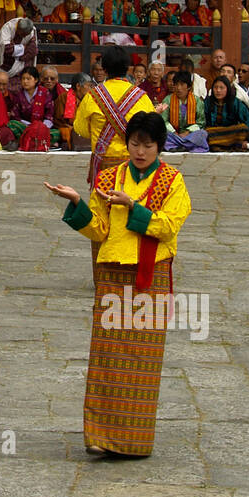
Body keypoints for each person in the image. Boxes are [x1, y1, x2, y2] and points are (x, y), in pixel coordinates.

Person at [46, 110, 191, 457]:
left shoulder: (172, 181)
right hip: (111, 270)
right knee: (107, 357)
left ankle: (133, 440)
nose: (140, 151)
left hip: (149, 273)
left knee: (142, 358)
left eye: (148, 145)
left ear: (160, 147)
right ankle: (100, 435)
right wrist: (78, 203)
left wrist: (133, 207)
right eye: (134, 143)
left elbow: (169, 225)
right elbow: (99, 229)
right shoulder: (110, 177)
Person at [74, 44, 154, 199]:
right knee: (131, 206)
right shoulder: (141, 97)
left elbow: (81, 129)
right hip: (133, 162)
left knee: (102, 209)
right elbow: (151, 131)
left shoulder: (92, 96)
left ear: (104, 68)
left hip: (104, 164)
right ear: (128, 67)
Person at [7, 67, 54, 151]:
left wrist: (41, 127)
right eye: (23, 79)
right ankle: (40, 141)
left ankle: (27, 140)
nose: (25, 81)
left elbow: (49, 114)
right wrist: (30, 126)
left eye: (28, 79)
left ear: (35, 80)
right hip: (26, 127)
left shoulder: (44, 93)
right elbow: (15, 116)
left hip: (42, 128)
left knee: (57, 133)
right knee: (12, 124)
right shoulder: (19, 95)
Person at [162, 71, 209, 153]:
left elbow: (201, 122)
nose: (178, 88)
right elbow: (163, 120)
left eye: (182, 84)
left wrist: (187, 132)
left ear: (188, 87)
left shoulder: (197, 101)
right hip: (173, 135)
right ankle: (188, 146)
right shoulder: (167, 100)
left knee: (202, 133)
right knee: (162, 134)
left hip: (190, 135)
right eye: (176, 84)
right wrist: (174, 132)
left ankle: (177, 146)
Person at [203, 75, 249, 151]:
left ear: (227, 89)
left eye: (221, 88)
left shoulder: (235, 102)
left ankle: (218, 145)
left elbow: (246, 120)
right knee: (205, 132)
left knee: (242, 128)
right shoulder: (208, 102)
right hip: (213, 132)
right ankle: (230, 145)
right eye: (215, 87)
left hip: (230, 131)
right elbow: (203, 121)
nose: (218, 90)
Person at [0, 17, 39, 90]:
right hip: (6, 64)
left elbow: (33, 50)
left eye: (25, 35)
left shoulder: (31, 31)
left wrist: (19, 55)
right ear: (18, 29)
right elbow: (5, 49)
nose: (24, 36)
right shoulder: (8, 27)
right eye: (22, 34)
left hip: (22, 64)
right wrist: (23, 48)